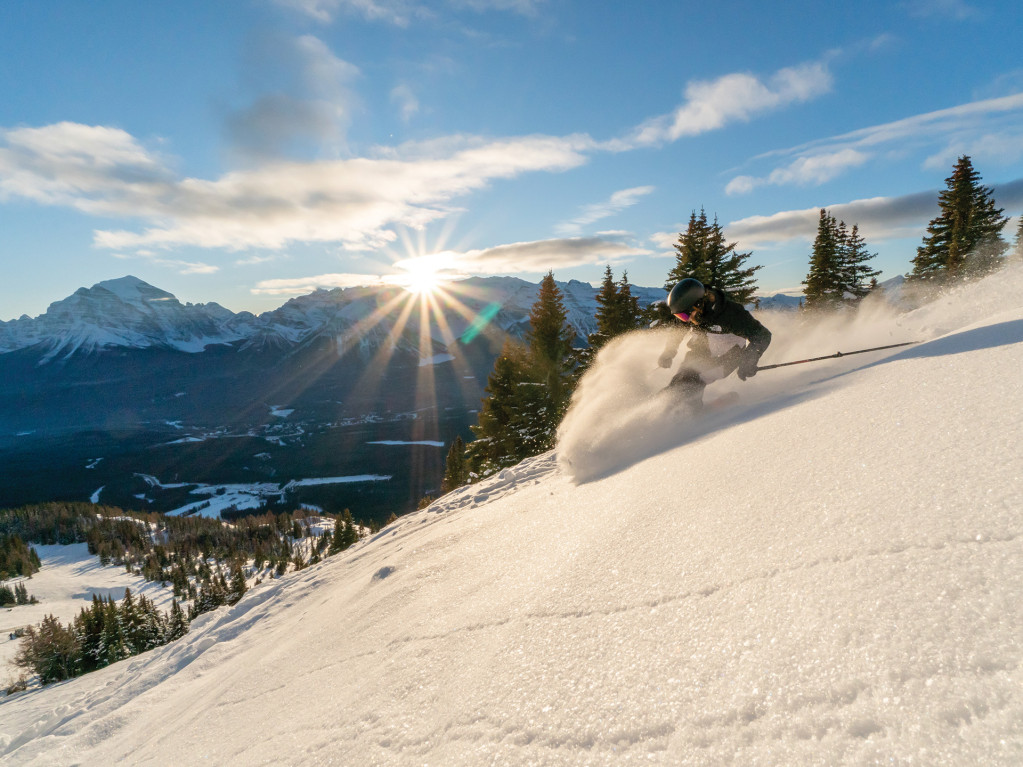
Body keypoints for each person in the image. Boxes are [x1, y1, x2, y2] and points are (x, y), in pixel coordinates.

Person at [657, 278, 771, 408]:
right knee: (678, 381)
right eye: (680, 317)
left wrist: (749, 359)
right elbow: (678, 330)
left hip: (726, 358)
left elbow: (762, 335)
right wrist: (669, 351)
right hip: (700, 351)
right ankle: (660, 407)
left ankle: (689, 411)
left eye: (684, 316)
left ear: (699, 305)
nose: (685, 320)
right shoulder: (691, 311)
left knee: (691, 381)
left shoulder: (731, 314)